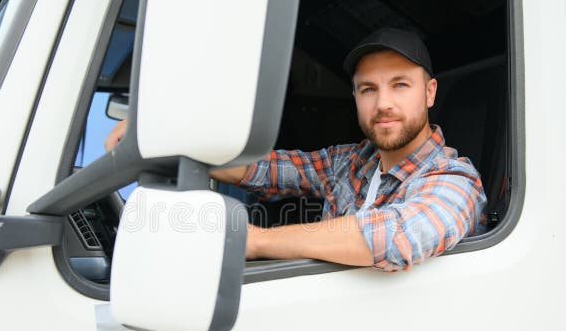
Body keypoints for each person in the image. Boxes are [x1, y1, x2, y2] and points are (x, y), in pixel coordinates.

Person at [105, 28, 486, 271]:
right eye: (368, 89)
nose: (383, 103)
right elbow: (269, 169)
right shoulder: (354, 160)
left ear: (430, 92)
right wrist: (163, 142)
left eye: (400, 85)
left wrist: (254, 242)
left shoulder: (455, 180)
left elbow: (393, 237)